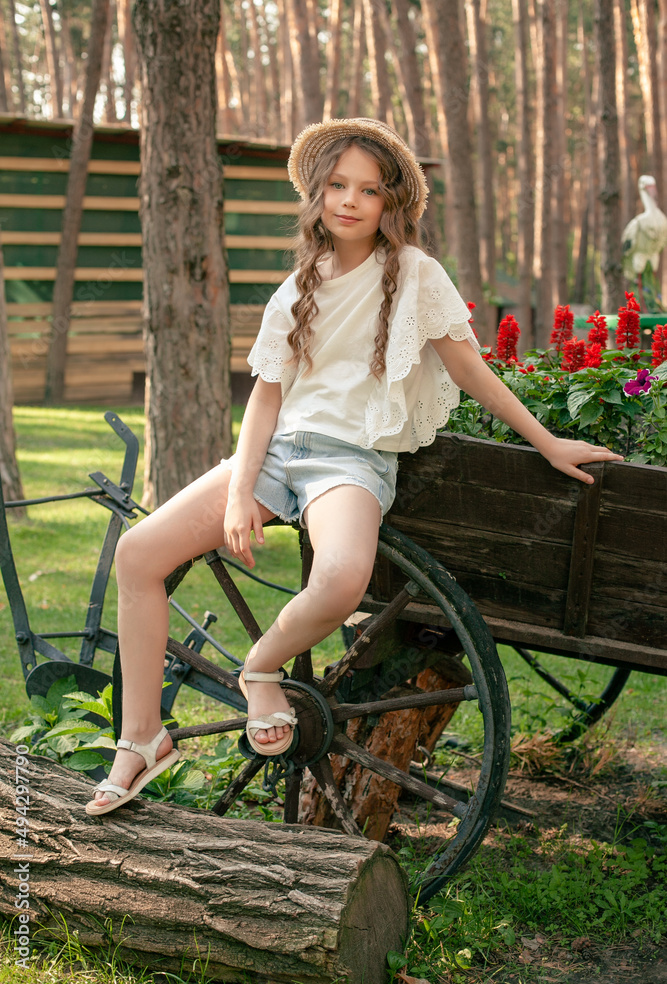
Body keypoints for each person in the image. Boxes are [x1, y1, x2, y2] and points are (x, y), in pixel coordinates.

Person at [85, 118, 623, 816]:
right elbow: (265, 398)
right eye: (336, 185)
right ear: (315, 195)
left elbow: (468, 368)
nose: (348, 201)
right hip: (282, 452)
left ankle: (260, 669)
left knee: (340, 578)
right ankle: (140, 739)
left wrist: (546, 441)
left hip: (350, 459)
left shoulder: (413, 275)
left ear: (389, 204)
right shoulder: (297, 285)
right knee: (137, 553)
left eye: (367, 190)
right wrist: (241, 489)